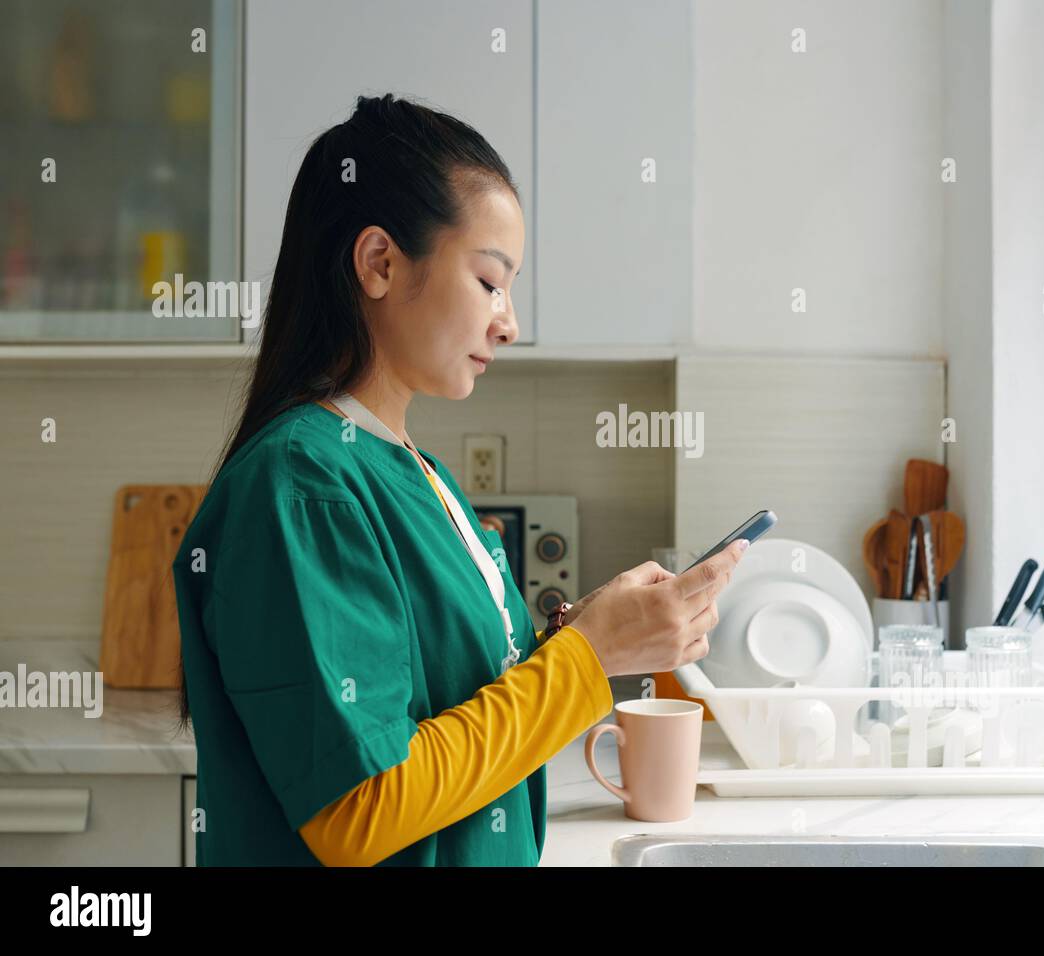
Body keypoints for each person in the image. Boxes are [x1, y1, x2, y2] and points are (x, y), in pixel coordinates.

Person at [171, 93, 746, 866]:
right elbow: (358, 811)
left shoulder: (420, 474)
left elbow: (462, 700)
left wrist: (588, 634)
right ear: (379, 262)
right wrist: (588, 657)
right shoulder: (302, 485)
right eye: (489, 280)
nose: (508, 320)